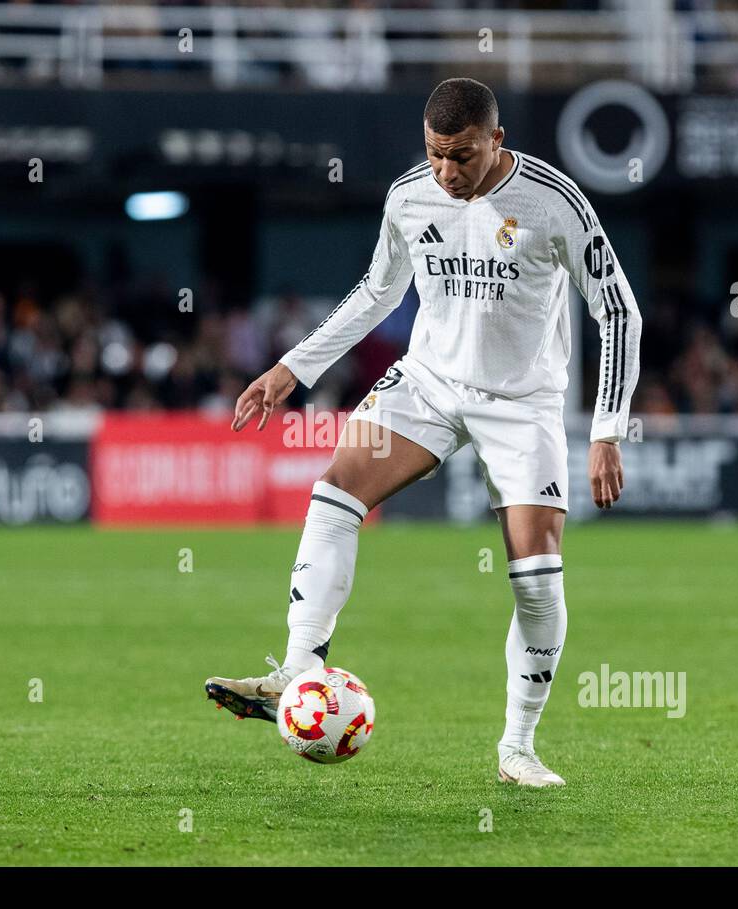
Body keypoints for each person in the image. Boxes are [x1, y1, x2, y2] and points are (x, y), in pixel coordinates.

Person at [205, 77, 641, 787]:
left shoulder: (554, 201)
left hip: (522, 401)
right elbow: (378, 290)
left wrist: (608, 428)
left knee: (535, 577)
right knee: (337, 487)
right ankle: (299, 666)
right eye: (436, 154)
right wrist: (292, 369)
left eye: (462, 156)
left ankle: (518, 748)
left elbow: (618, 311)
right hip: (430, 384)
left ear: (496, 141)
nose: (447, 172)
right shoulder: (410, 195)